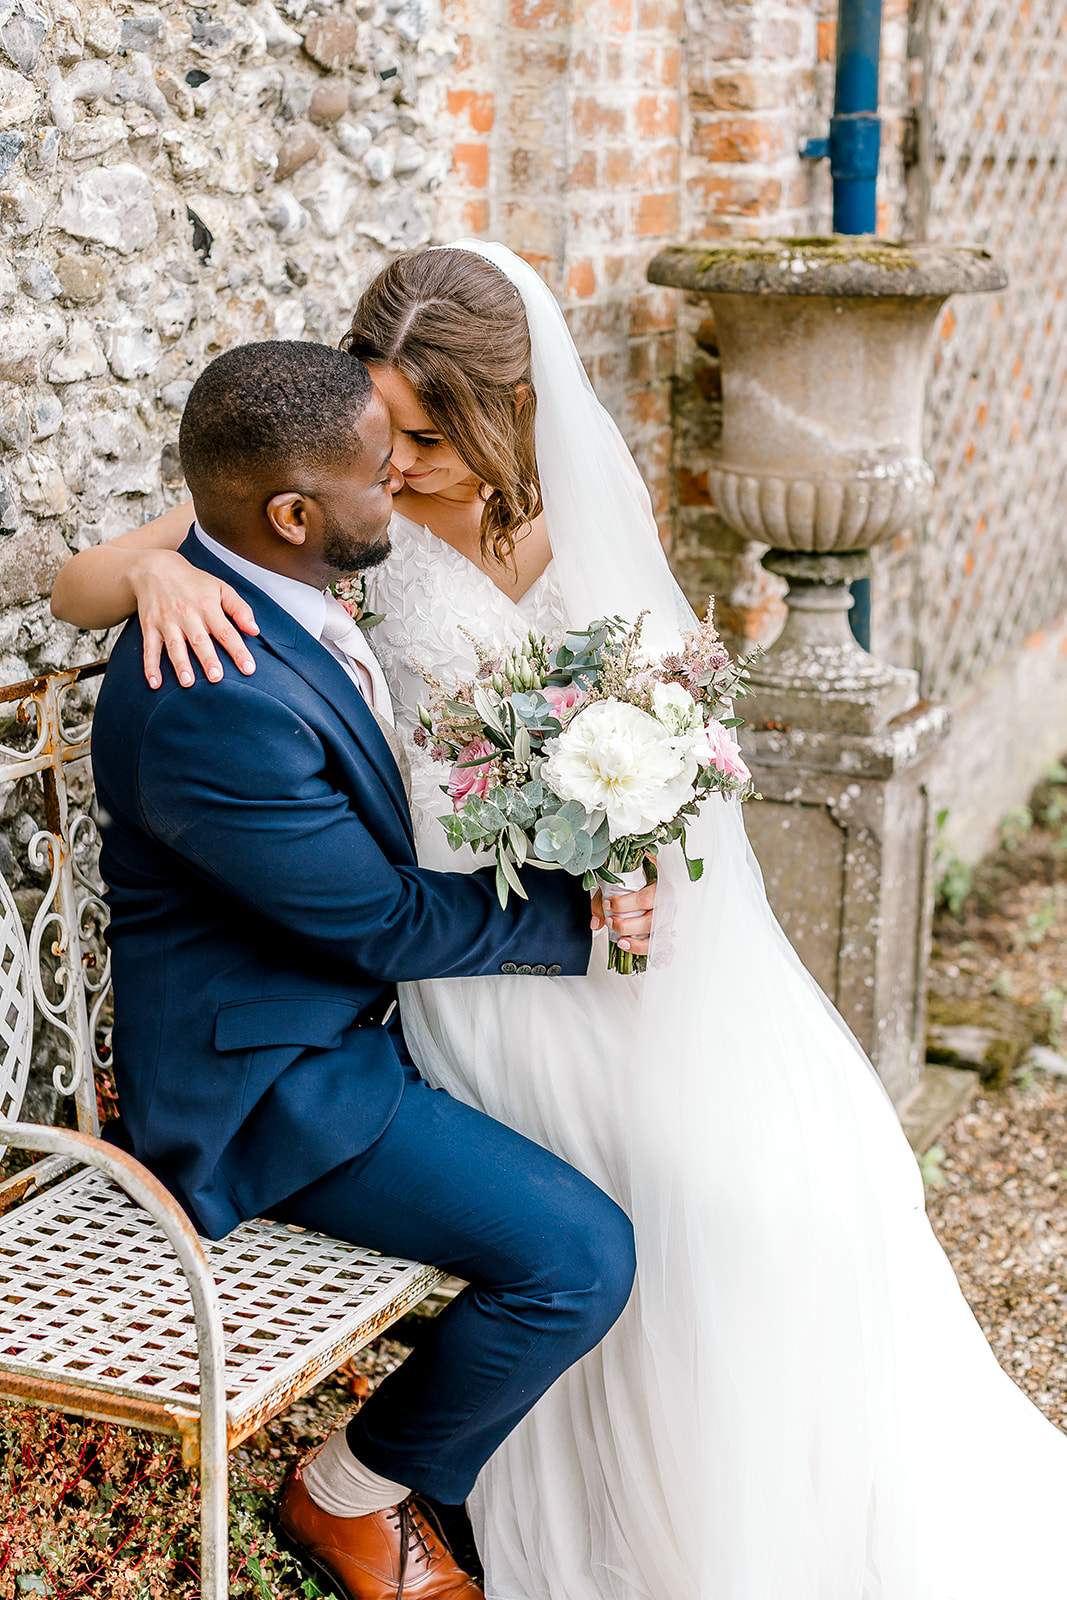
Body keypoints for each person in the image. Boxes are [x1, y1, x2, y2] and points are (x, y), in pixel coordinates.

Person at [56, 246, 1067, 1600]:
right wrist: (158, 573)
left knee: (779, 1202)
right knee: (624, 1225)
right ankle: (476, 1504)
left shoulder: (556, 520)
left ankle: (719, 1506)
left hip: (547, 930)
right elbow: (159, 555)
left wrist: (627, 874)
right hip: (443, 959)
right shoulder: (332, 510)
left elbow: (666, 773)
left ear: (504, 418)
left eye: (421, 438)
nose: (398, 464)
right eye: (381, 434)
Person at [87, 337, 645, 1600]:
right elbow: (380, 922)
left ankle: (464, 1495)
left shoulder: (271, 571)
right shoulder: (213, 699)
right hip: (273, 1078)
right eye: (377, 480)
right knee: (578, 1256)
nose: (399, 481)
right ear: (293, 513)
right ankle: (346, 1494)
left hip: (352, 1010)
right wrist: (586, 922)